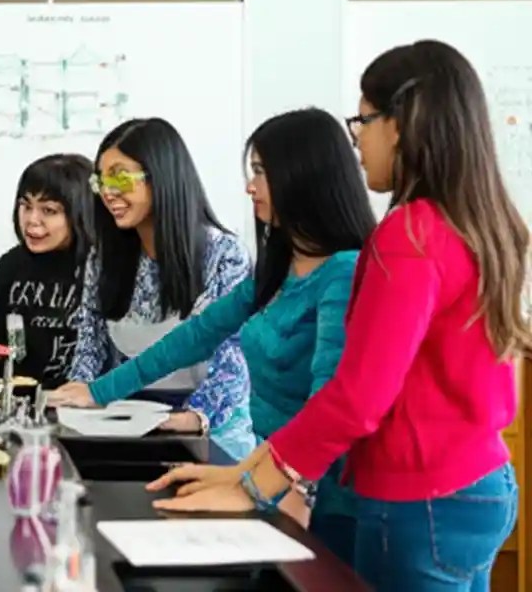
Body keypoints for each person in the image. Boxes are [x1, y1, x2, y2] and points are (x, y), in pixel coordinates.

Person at [149, 41, 527, 592]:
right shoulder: (478, 224)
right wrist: (245, 473)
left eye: (365, 120)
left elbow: (357, 397)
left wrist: (255, 488)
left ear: (402, 124)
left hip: (416, 502)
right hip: (480, 486)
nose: (358, 139)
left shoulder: (408, 235)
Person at [49, 108, 377, 565]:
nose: (248, 186)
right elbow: (193, 338)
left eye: (260, 172)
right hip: (271, 473)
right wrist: (96, 391)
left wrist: (264, 483)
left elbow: (330, 404)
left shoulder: (341, 273)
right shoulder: (276, 270)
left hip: (318, 490)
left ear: (303, 176)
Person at [61, 118, 255, 459]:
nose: (108, 192)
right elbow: (89, 346)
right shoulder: (104, 259)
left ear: (162, 175)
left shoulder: (224, 255)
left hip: (209, 434)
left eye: (121, 177)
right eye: (101, 180)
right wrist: (77, 397)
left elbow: (233, 358)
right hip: (124, 425)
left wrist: (194, 415)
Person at [0, 153, 95, 390]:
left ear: (80, 213)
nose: (32, 221)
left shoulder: (99, 269)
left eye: (49, 210)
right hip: (12, 405)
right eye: (26, 206)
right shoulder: (10, 266)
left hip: (81, 408)